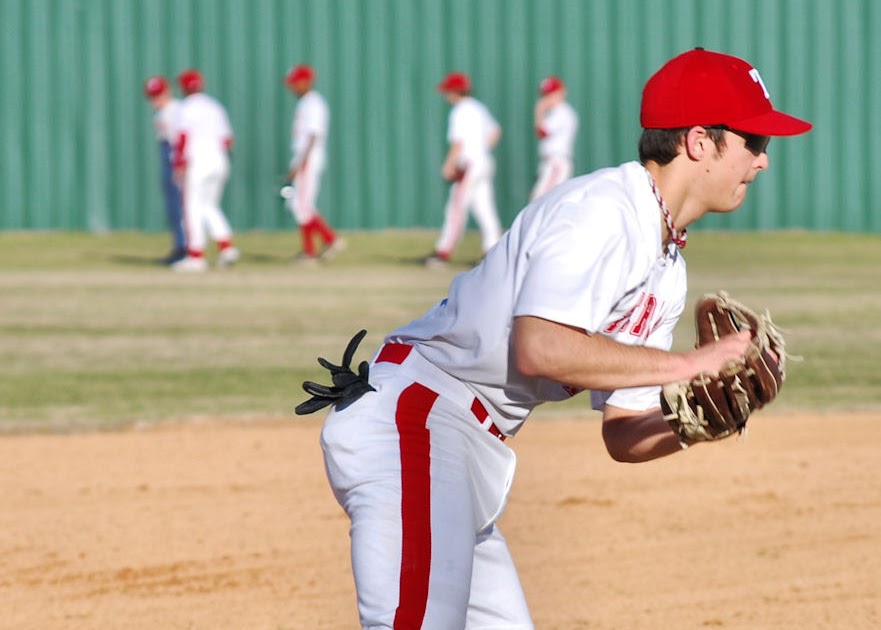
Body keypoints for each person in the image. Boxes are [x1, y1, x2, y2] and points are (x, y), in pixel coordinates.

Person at [303, 48, 812, 628]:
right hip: (417, 418)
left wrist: (694, 426)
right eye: (755, 142)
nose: (763, 161)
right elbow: (539, 347)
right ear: (699, 141)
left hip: (463, 446)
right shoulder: (603, 211)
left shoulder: (668, 266)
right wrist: (688, 365)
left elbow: (622, 434)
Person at [426, 71, 504, 268]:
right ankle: (493, 249)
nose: (446, 96)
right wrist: (481, 148)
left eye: (448, 91)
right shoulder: (478, 108)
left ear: (455, 92)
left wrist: (449, 164)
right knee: (484, 207)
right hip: (484, 161)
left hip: (469, 165)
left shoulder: (460, 111)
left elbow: (458, 142)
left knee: (456, 207)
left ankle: (443, 251)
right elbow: (495, 131)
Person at [170, 68, 240, 272]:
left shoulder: (186, 107)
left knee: (192, 208)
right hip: (219, 160)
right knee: (209, 206)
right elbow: (227, 140)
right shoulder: (215, 107)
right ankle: (227, 248)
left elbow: (183, 136)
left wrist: (179, 164)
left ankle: (196, 256)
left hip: (197, 161)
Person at [283, 64, 345, 264]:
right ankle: (313, 248)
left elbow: (312, 135)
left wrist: (299, 164)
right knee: (299, 205)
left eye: (295, 83)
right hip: (304, 158)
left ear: (305, 82)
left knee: (302, 205)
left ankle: (327, 241)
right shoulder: (306, 103)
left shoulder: (313, 103)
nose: (292, 87)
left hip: (308, 159)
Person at [143, 75, 186, 264]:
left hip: (176, 162)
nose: (155, 100)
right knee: (172, 208)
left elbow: (181, 140)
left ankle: (186, 248)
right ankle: (179, 246)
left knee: (181, 208)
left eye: (158, 95)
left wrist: (180, 165)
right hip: (167, 160)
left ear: (167, 92)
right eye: (152, 96)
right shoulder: (162, 113)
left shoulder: (176, 111)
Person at [529, 75, 579, 201]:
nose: (547, 98)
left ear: (561, 92)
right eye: (545, 95)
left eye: (550, 94)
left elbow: (542, 132)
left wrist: (539, 111)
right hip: (552, 163)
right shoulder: (557, 112)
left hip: (556, 162)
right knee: (545, 203)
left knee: (540, 201)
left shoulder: (561, 111)